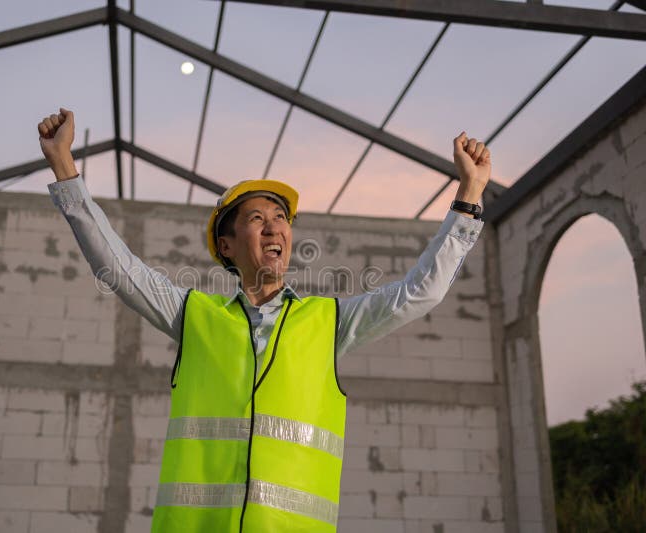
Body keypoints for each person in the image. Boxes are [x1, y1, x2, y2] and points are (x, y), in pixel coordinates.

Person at [38, 108, 488, 532]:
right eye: (256, 218)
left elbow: (420, 291)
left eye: (280, 218)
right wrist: (64, 169)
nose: (275, 227)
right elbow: (120, 269)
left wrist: (468, 197)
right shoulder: (194, 316)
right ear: (227, 246)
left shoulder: (327, 322)